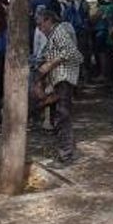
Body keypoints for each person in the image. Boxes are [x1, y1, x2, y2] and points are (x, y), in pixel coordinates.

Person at [35, 9, 84, 168]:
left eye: (41, 24)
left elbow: (72, 52)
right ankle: (67, 150)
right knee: (60, 115)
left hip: (64, 78)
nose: (40, 28)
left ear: (49, 20)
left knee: (63, 116)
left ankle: (66, 155)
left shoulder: (60, 30)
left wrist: (50, 64)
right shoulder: (54, 34)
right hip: (59, 80)